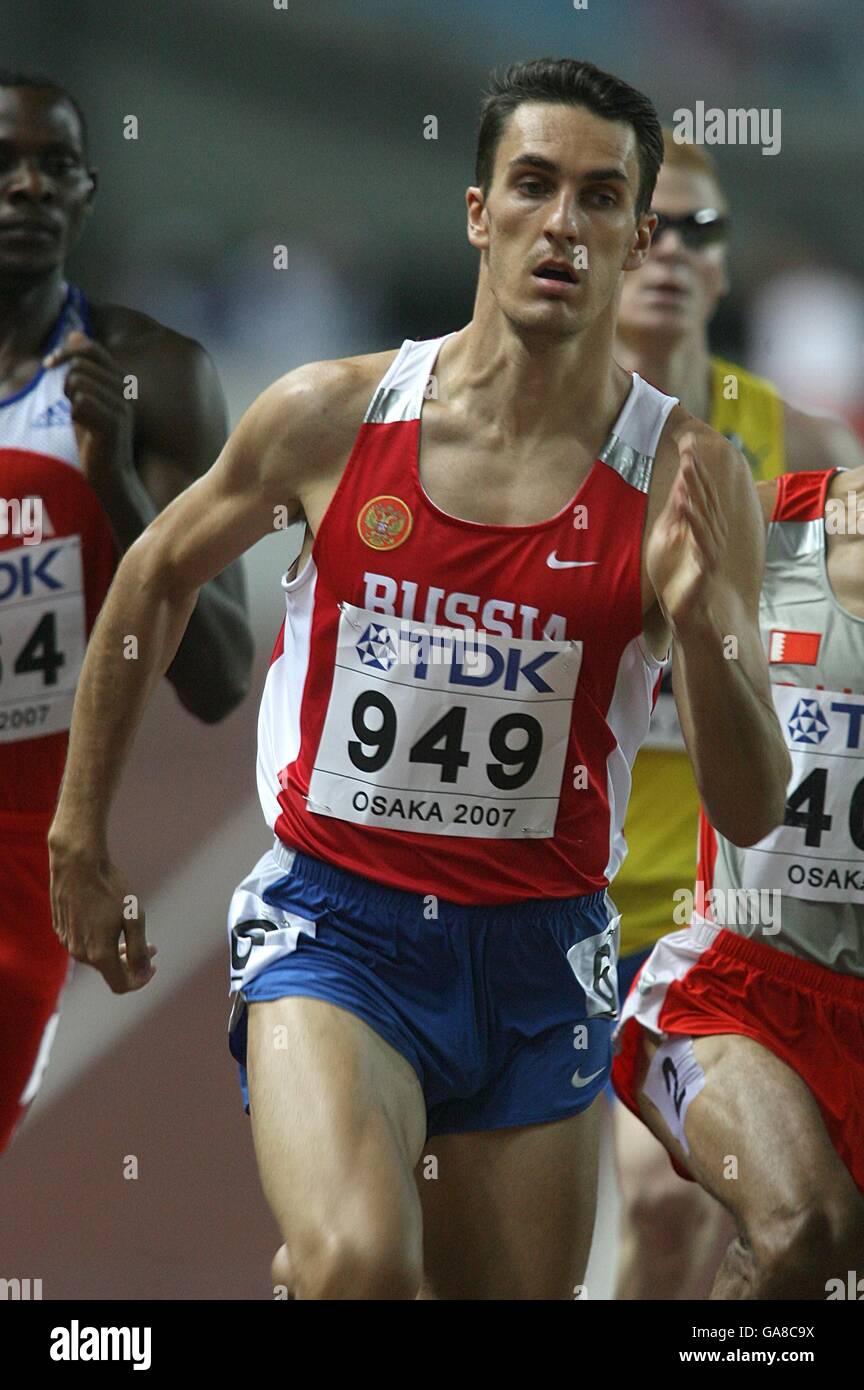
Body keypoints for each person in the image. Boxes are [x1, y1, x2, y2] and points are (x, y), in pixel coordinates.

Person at [48, 58, 789, 1300]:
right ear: (476, 211)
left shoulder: (691, 478)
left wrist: (702, 618)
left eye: (601, 199)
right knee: (361, 1265)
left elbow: (754, 804)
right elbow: (157, 576)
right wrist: (80, 833)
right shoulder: (333, 416)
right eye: (535, 186)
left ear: (637, 232)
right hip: (337, 927)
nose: (564, 224)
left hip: (539, 955)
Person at [610, 133, 864, 1299]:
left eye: (698, 231)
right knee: (671, 1208)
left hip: (799, 933)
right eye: (649, 224)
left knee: (796, 1252)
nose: (670, 254)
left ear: (726, 269)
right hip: (619, 911)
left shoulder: (796, 441)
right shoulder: (588, 448)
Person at [0, 72, 252, 1153]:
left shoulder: (154, 376)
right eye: (5, 163)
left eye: (56, 167)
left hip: (25, 843)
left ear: (88, 192)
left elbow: (221, 677)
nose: (29, 188)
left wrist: (120, 490)